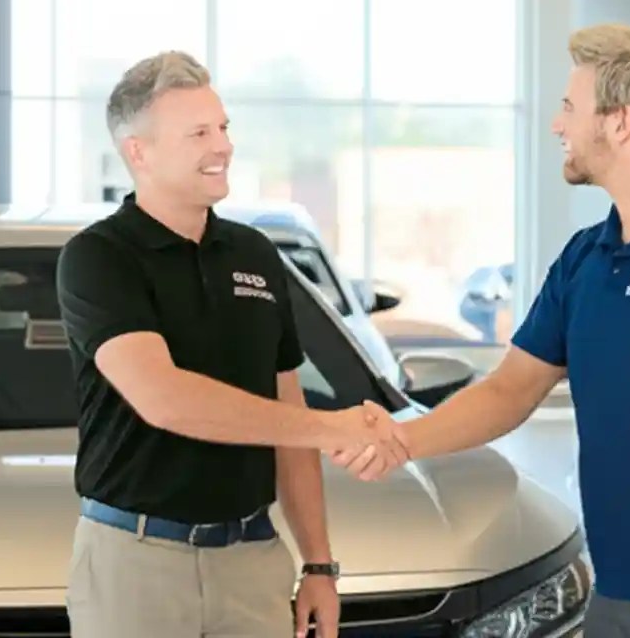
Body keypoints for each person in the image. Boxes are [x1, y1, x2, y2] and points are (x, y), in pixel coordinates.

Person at [334, 24, 630, 638]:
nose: (558, 125)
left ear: (621, 122)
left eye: (571, 107)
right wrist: (400, 440)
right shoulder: (584, 259)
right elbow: (509, 391)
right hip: (616, 592)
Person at [56, 50, 409, 638]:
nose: (222, 146)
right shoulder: (99, 258)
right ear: (137, 152)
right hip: (134, 562)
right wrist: (337, 429)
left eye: (223, 128)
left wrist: (319, 563)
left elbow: (285, 415)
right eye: (198, 133)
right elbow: (164, 399)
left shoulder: (254, 255)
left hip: (252, 560)